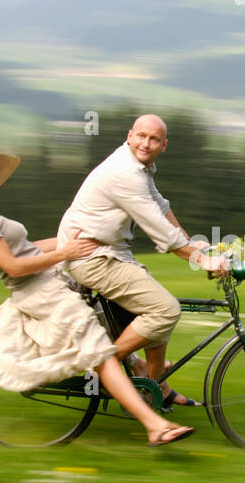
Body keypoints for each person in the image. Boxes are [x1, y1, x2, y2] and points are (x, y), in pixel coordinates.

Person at [0, 142, 194, 447]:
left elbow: (26, 249)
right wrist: (65, 253)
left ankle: (147, 378)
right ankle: (155, 427)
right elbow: (13, 267)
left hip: (49, 282)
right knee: (99, 352)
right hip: (42, 293)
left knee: (111, 324)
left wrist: (71, 242)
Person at [57, 115, 226, 409]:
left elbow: (161, 207)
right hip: (93, 258)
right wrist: (201, 260)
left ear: (164, 145)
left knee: (156, 309)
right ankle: (104, 367)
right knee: (165, 309)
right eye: (141, 136)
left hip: (110, 253)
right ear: (130, 136)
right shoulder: (126, 173)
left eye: (154, 139)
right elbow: (157, 226)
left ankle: (155, 386)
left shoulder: (139, 167)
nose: (146, 144)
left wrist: (191, 243)